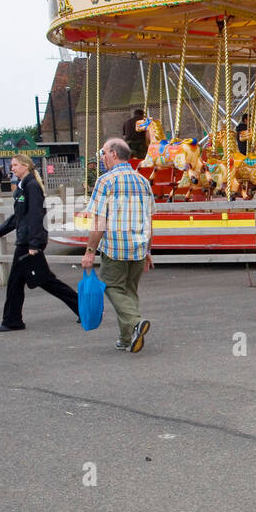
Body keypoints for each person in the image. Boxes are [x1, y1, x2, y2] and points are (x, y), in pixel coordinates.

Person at [0, 153, 80, 332]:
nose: (12, 168)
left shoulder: (32, 186)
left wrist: (34, 244)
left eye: (15, 165)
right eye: (12, 165)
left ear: (25, 166)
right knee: (20, 281)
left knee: (44, 280)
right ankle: (12, 320)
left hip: (28, 243)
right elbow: (19, 216)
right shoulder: (23, 187)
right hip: (25, 240)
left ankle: (13, 320)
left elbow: (36, 217)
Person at [81, 138, 155, 353]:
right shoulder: (143, 181)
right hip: (139, 247)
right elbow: (150, 221)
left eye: (103, 153)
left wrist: (89, 252)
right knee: (129, 291)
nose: (102, 158)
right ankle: (126, 338)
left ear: (113, 153)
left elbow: (99, 222)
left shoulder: (106, 181)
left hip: (115, 247)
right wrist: (149, 250)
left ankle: (135, 322)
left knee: (112, 286)